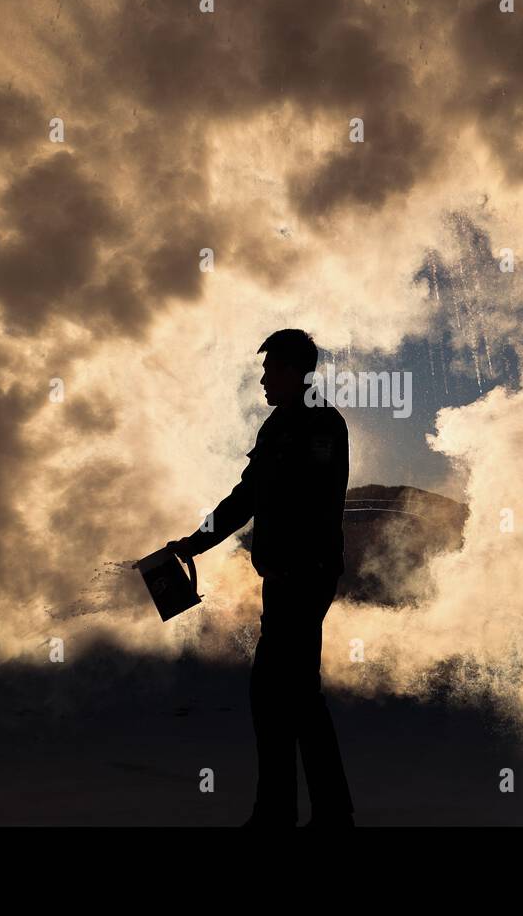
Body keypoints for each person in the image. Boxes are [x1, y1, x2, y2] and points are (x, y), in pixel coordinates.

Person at [168, 329, 355, 828]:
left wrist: (297, 562)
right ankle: (307, 812)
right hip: (284, 578)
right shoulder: (278, 427)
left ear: (295, 371)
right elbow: (245, 497)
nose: (264, 380)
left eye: (271, 370)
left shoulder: (321, 426)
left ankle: (292, 813)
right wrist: (195, 542)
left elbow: (310, 502)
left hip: (304, 578)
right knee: (288, 696)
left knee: (284, 695)